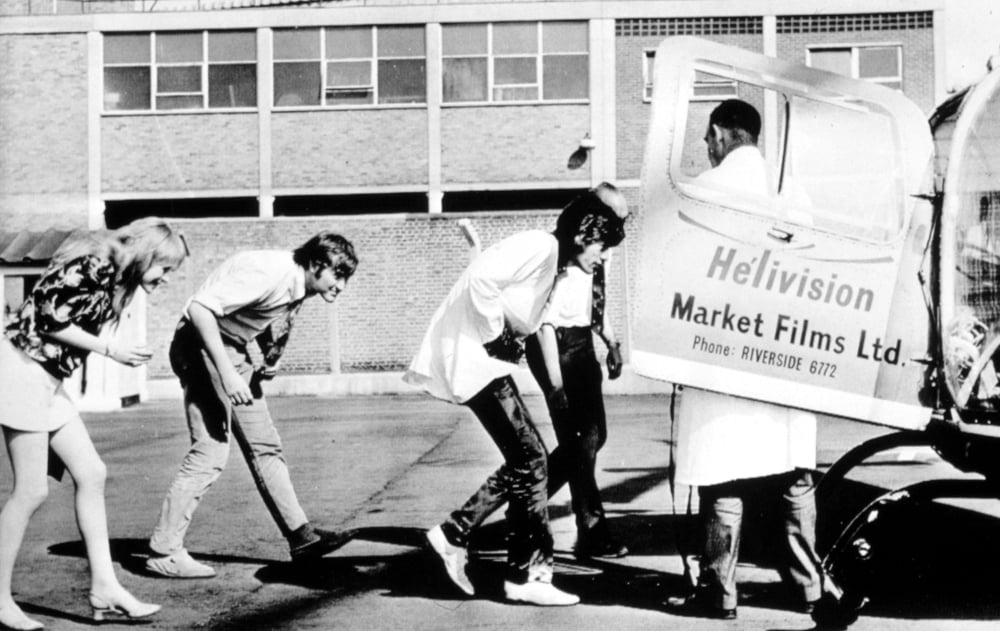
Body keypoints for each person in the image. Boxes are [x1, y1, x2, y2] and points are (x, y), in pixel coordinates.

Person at [405, 185, 626, 607]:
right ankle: (523, 572)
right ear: (584, 233)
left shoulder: (555, 267)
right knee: (533, 458)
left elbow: (520, 312)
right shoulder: (541, 246)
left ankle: (459, 537)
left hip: (481, 358)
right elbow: (482, 281)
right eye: (601, 245)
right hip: (472, 355)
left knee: (531, 458)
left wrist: (513, 344)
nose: (601, 256)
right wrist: (496, 339)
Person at [667, 100, 824, 620]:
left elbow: (681, 277)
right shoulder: (791, 194)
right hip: (786, 347)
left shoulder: (703, 192)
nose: (706, 150)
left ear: (719, 134)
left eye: (708, 140)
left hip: (722, 350)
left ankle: (719, 592)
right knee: (794, 475)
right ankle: (810, 588)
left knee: (722, 471)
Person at [0, 217, 188, 630]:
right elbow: (49, 316)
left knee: (92, 472)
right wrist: (110, 350)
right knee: (30, 491)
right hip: (21, 370)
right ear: (146, 255)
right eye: (165, 269)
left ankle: (105, 586)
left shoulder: (113, 277)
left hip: (43, 377)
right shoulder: (96, 264)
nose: (166, 279)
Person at [146, 231, 359, 579]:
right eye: (338, 275)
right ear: (317, 264)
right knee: (210, 450)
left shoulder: (297, 280)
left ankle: (302, 538)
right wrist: (228, 374)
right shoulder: (271, 273)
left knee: (265, 445)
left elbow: (253, 313)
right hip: (200, 343)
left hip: (232, 348)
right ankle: (164, 550)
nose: (341, 286)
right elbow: (199, 309)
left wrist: (266, 355)